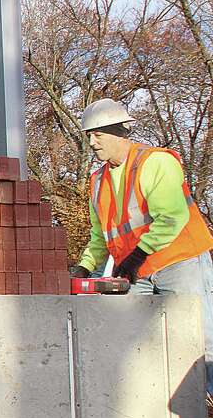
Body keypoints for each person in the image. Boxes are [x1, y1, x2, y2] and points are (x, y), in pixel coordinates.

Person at [69, 98, 213, 392]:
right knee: (139, 344)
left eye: (98, 134)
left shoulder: (156, 162)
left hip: (179, 261)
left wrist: (137, 257)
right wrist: (84, 267)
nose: (93, 143)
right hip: (139, 270)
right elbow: (101, 235)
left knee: (201, 342)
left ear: (119, 132)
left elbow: (172, 217)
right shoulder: (98, 181)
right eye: (89, 136)